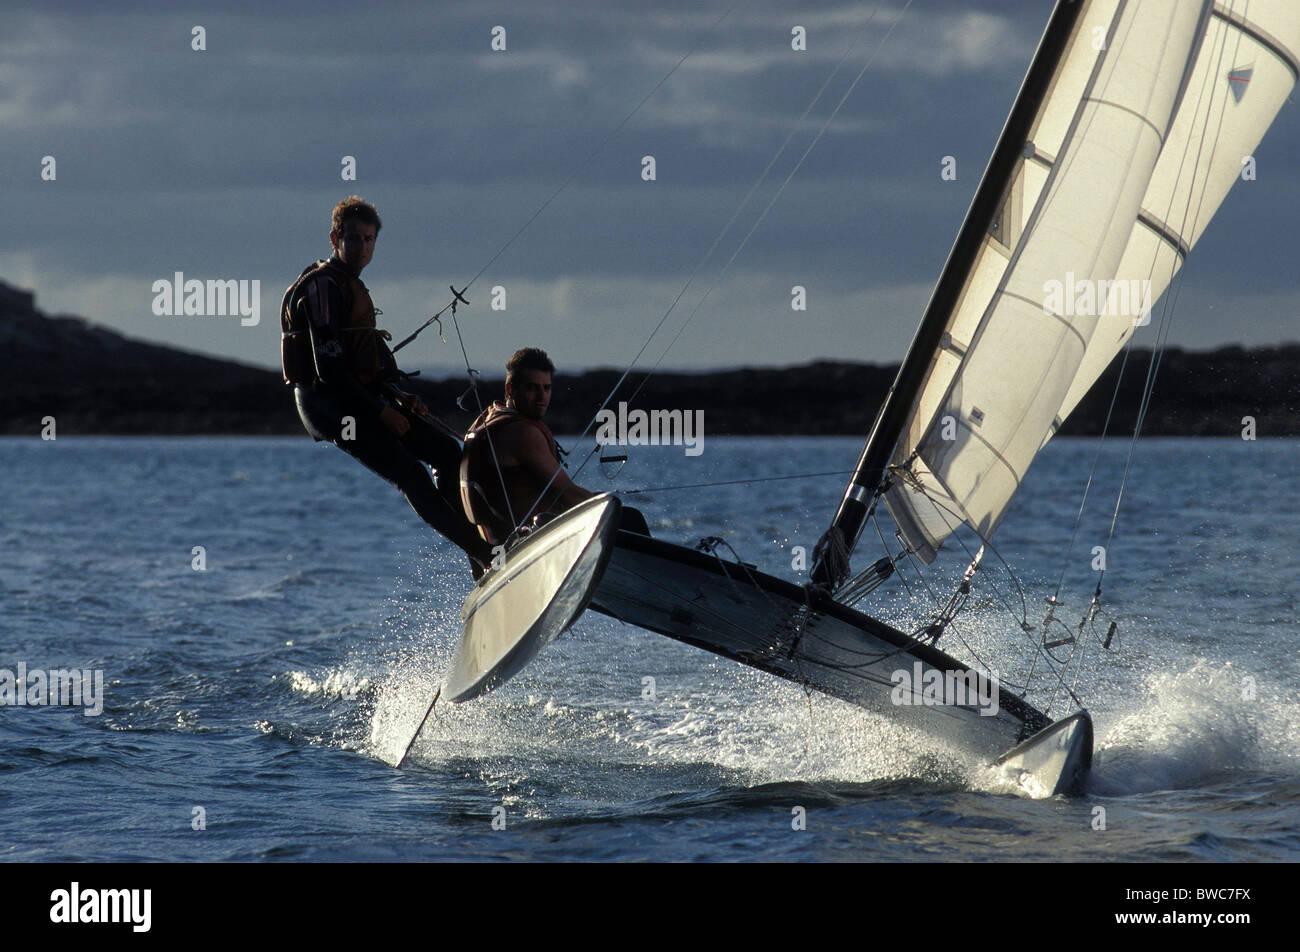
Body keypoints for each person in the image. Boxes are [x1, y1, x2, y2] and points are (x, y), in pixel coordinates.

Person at [281, 196, 494, 573]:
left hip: (360, 397)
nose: (362, 247)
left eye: (369, 240)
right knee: (410, 473)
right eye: (354, 239)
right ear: (335, 238)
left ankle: (480, 557)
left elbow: (365, 357)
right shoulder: (322, 289)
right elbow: (330, 370)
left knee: (447, 452)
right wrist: (382, 411)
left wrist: (400, 396)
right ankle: (486, 554)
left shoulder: (350, 284)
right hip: (328, 406)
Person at [460, 347, 650, 546]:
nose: (541, 397)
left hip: (500, 545)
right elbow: (569, 495)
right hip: (527, 544)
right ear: (510, 389)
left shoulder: (489, 418)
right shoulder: (521, 433)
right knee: (628, 518)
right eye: (532, 388)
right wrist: (609, 503)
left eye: (547, 388)